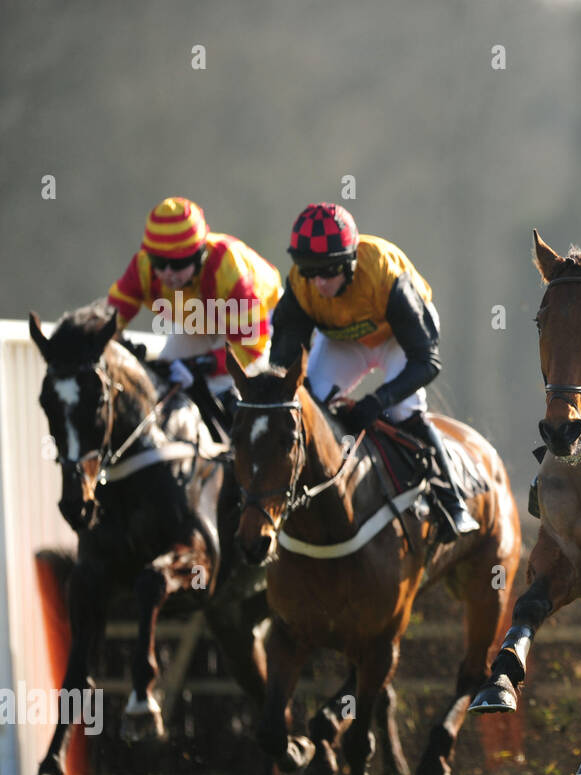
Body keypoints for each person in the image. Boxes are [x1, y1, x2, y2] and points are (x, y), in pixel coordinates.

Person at [268, 203, 477, 542]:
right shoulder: (299, 286)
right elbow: (283, 364)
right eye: (310, 271)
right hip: (342, 340)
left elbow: (427, 362)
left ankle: (451, 502)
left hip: (399, 337)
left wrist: (377, 401)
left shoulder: (385, 272)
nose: (319, 282)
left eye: (330, 270)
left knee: (403, 411)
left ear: (350, 262)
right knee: (306, 408)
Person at [105, 196, 281, 435]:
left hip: (252, 325)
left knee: (222, 387)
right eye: (159, 262)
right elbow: (107, 320)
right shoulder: (143, 267)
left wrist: (203, 363)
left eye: (178, 264)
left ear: (199, 254)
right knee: (163, 386)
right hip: (198, 319)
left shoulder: (229, 269)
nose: (168, 273)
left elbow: (249, 346)